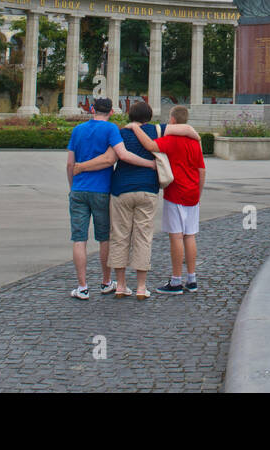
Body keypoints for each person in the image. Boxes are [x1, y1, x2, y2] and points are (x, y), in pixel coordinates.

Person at [75, 101, 202, 301]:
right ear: (149, 116)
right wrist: (197, 136)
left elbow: (109, 158)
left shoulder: (121, 133)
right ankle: (141, 287)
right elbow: (185, 128)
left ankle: (121, 285)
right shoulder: (156, 130)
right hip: (147, 189)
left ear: (129, 115)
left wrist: (80, 167)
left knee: (119, 236)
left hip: (121, 190)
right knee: (143, 237)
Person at [65, 97, 157, 301]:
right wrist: (149, 164)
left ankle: (82, 287)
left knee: (79, 239)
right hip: (102, 190)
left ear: (91, 109)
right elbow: (119, 156)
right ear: (112, 112)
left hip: (79, 189)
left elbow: (70, 163)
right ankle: (107, 282)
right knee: (104, 238)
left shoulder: (78, 129)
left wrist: (73, 186)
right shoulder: (111, 130)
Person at [126, 106, 205, 295]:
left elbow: (150, 146)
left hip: (176, 192)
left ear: (172, 121)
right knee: (190, 235)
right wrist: (198, 193)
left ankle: (176, 281)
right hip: (193, 193)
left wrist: (135, 128)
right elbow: (202, 170)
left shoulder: (172, 139)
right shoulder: (195, 142)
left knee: (176, 236)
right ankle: (192, 279)